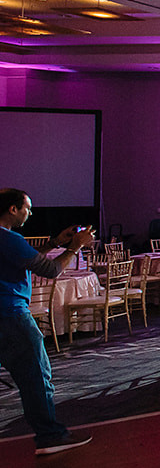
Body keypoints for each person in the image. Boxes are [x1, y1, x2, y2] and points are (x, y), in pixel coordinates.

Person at [0, 188, 96, 454]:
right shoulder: (9, 238)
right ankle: (50, 436)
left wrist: (55, 242)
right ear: (13, 209)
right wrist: (76, 246)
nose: (30, 213)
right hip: (12, 315)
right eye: (27, 208)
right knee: (36, 377)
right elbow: (51, 269)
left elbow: (24, 259)